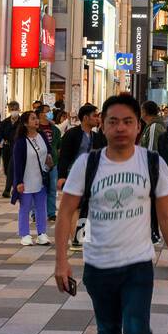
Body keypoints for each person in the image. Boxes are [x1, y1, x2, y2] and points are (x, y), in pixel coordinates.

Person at [54, 94, 168, 334]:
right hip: (98, 266)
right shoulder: (87, 165)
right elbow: (65, 213)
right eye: (113, 121)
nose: (120, 128)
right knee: (109, 333)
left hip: (138, 265)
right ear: (102, 124)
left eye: (128, 121)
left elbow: (166, 217)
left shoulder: (153, 164)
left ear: (138, 126)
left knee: (138, 330)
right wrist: (61, 262)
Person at [58, 103, 105, 252]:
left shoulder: (96, 136)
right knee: (75, 207)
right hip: (74, 174)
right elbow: (64, 156)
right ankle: (77, 239)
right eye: (94, 116)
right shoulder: (72, 134)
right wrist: (61, 176)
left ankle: (82, 237)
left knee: (87, 206)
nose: (97, 119)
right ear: (85, 118)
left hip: (92, 176)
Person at [11, 110, 51, 245]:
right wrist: (19, 182)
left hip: (41, 178)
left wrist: (50, 159)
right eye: (33, 119)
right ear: (25, 123)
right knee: (25, 207)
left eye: (36, 118)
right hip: (26, 180)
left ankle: (42, 233)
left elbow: (48, 151)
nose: (36, 121)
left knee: (41, 207)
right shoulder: (21, 141)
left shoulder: (42, 136)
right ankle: (25, 234)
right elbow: (17, 163)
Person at [0, 101, 22, 197]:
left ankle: (7, 190)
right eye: (12, 110)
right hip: (7, 147)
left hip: (18, 148)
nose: (14, 111)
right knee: (7, 169)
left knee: (12, 168)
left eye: (15, 109)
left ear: (18, 110)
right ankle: (12, 185)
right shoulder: (5, 122)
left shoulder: (22, 122)